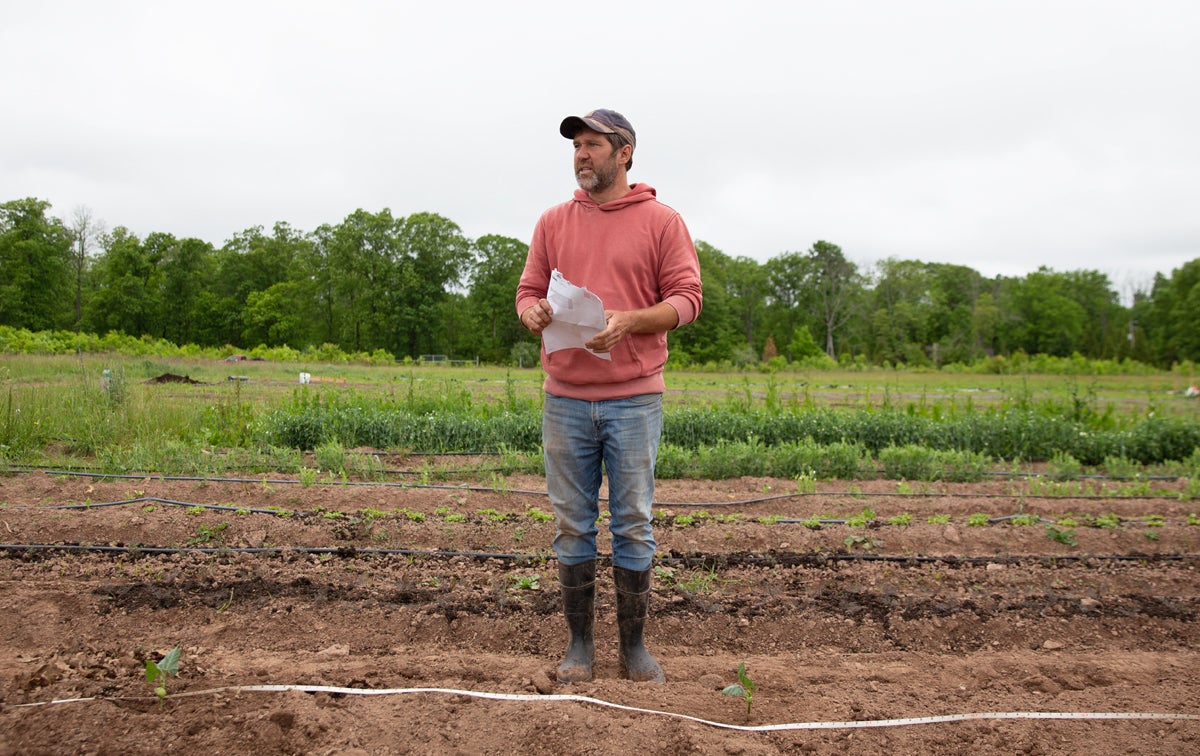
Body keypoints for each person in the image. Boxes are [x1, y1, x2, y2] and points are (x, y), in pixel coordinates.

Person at [515, 109, 703, 683]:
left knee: (634, 524)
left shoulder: (662, 221)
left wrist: (631, 322)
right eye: (576, 146)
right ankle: (579, 648)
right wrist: (535, 314)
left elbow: (687, 300)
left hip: (633, 400)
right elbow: (527, 293)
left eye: (593, 145)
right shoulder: (553, 221)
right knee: (573, 524)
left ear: (624, 153)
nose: (581, 155)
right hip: (565, 399)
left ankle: (634, 648)